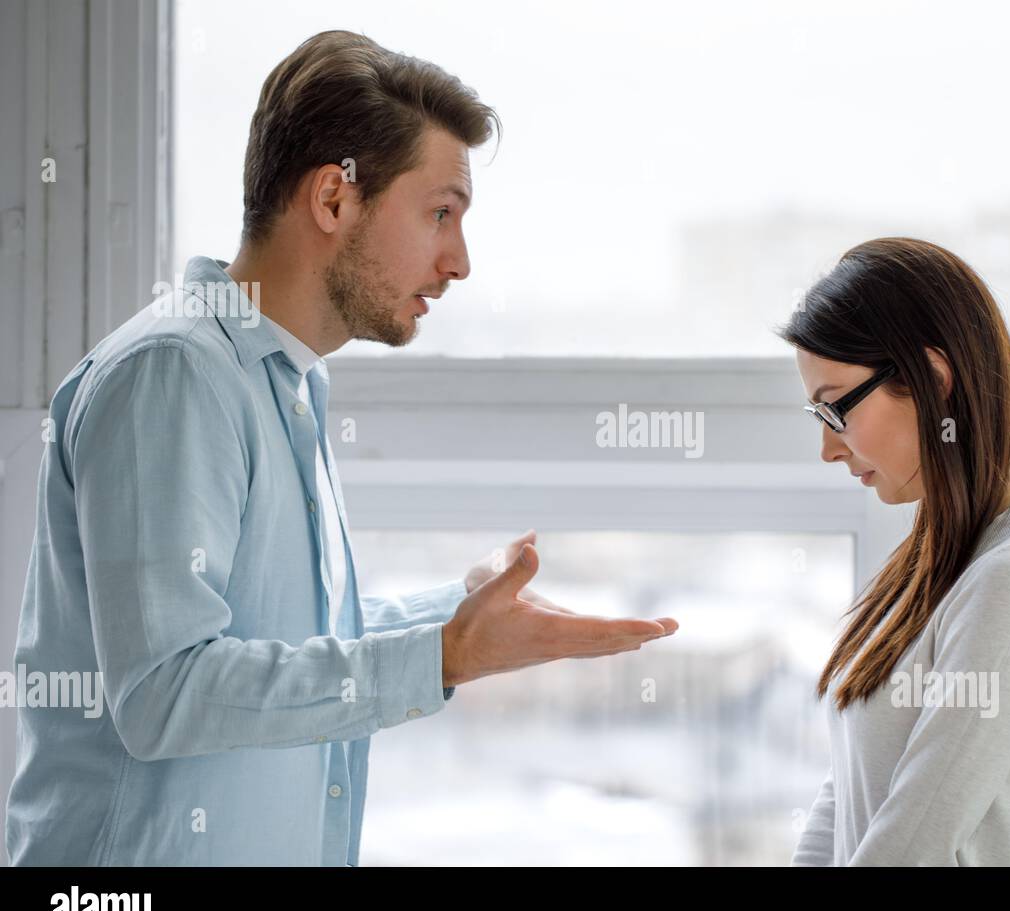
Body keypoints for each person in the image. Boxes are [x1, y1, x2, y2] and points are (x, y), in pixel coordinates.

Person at [5, 30, 676, 866]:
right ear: (334, 200)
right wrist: (443, 655)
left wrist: (456, 616)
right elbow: (166, 693)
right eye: (440, 213)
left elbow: (276, 640)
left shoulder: (283, 382)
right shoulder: (174, 375)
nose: (459, 261)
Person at [782, 237, 1010, 866]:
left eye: (835, 411)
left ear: (932, 380)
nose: (828, 449)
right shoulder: (944, 554)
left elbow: (913, 845)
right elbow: (850, 796)